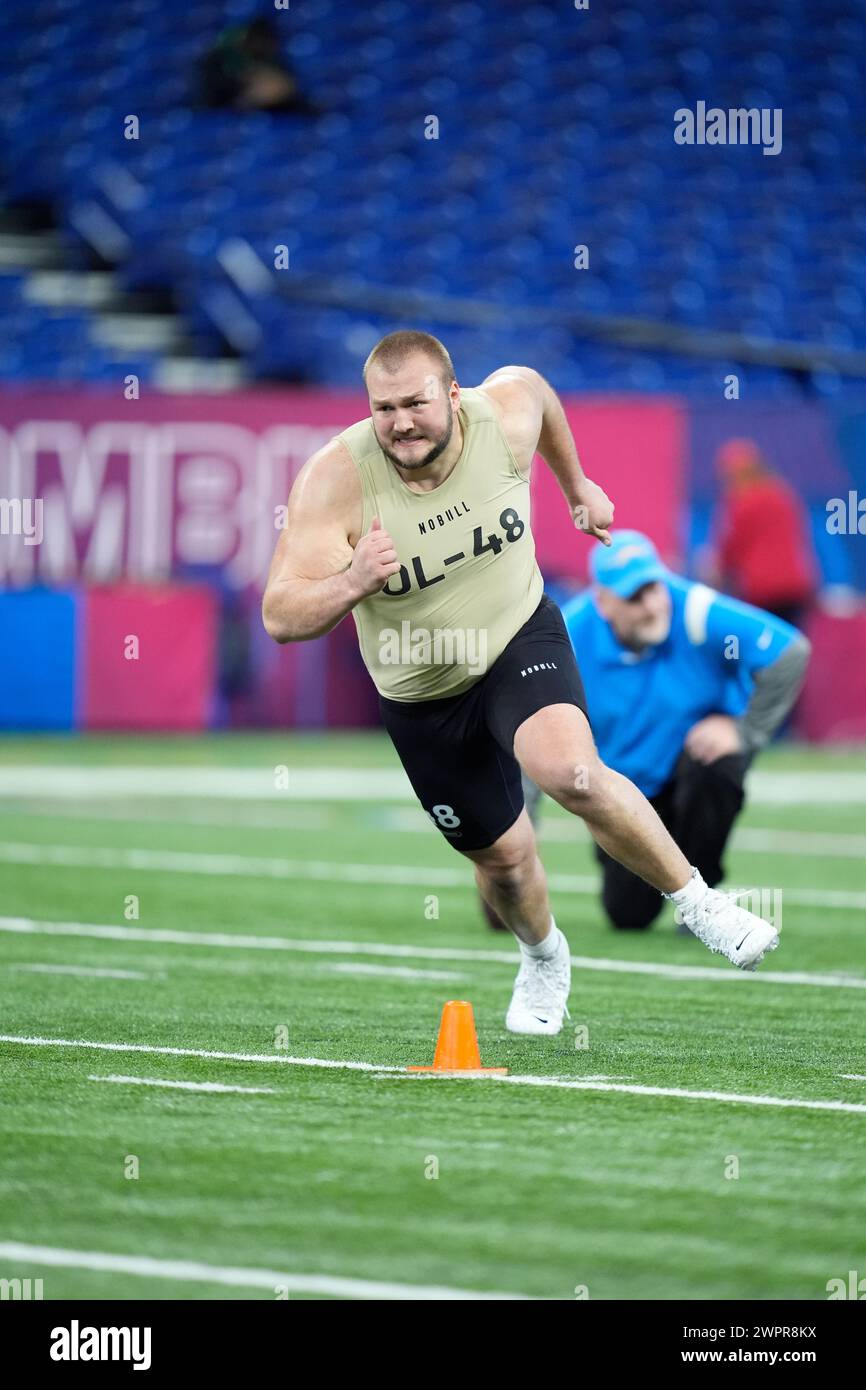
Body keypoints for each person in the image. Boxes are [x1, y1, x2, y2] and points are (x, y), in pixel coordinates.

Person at [262, 330, 781, 1037]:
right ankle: (542, 956)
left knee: (573, 774)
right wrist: (353, 581)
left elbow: (535, 388)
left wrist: (577, 485)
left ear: (452, 395)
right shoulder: (338, 478)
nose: (400, 423)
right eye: (383, 409)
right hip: (422, 692)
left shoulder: (498, 416)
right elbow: (282, 616)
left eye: (415, 403)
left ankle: (701, 904)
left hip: (515, 637)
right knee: (505, 860)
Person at [479, 531, 811, 934]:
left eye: (655, 587)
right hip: (625, 793)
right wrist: (511, 866)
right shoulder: (565, 639)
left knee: (719, 765)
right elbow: (531, 746)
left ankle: (704, 910)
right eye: (634, 597)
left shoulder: (697, 611)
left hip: (693, 769)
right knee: (627, 916)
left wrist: (745, 732)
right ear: (603, 602)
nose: (653, 605)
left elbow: (790, 652)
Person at [708, 438, 816, 628]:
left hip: (761, 590)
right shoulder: (783, 495)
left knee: (763, 650)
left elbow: (730, 548)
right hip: (796, 586)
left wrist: (715, 572)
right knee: (791, 647)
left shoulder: (739, 503)